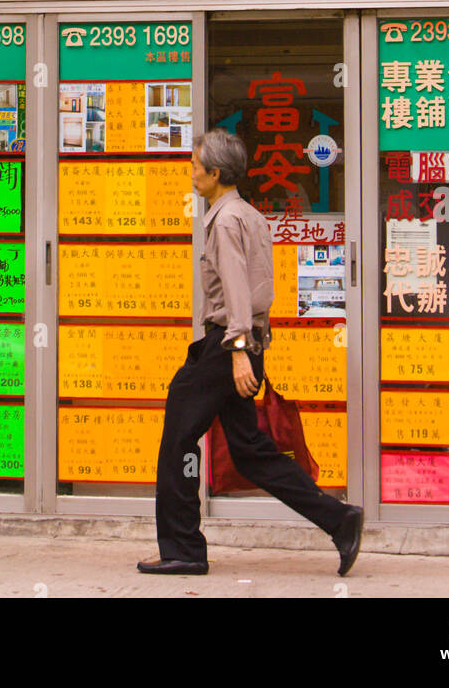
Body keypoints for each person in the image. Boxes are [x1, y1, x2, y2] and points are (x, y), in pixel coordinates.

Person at [137, 127, 363, 577]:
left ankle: (183, 548)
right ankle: (339, 520)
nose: (191, 174)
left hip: (227, 345)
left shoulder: (224, 222)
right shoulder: (250, 215)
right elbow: (262, 285)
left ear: (215, 173)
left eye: (196, 166)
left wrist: (239, 349)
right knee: (249, 450)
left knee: (178, 436)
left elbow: (238, 289)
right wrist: (252, 345)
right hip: (243, 343)